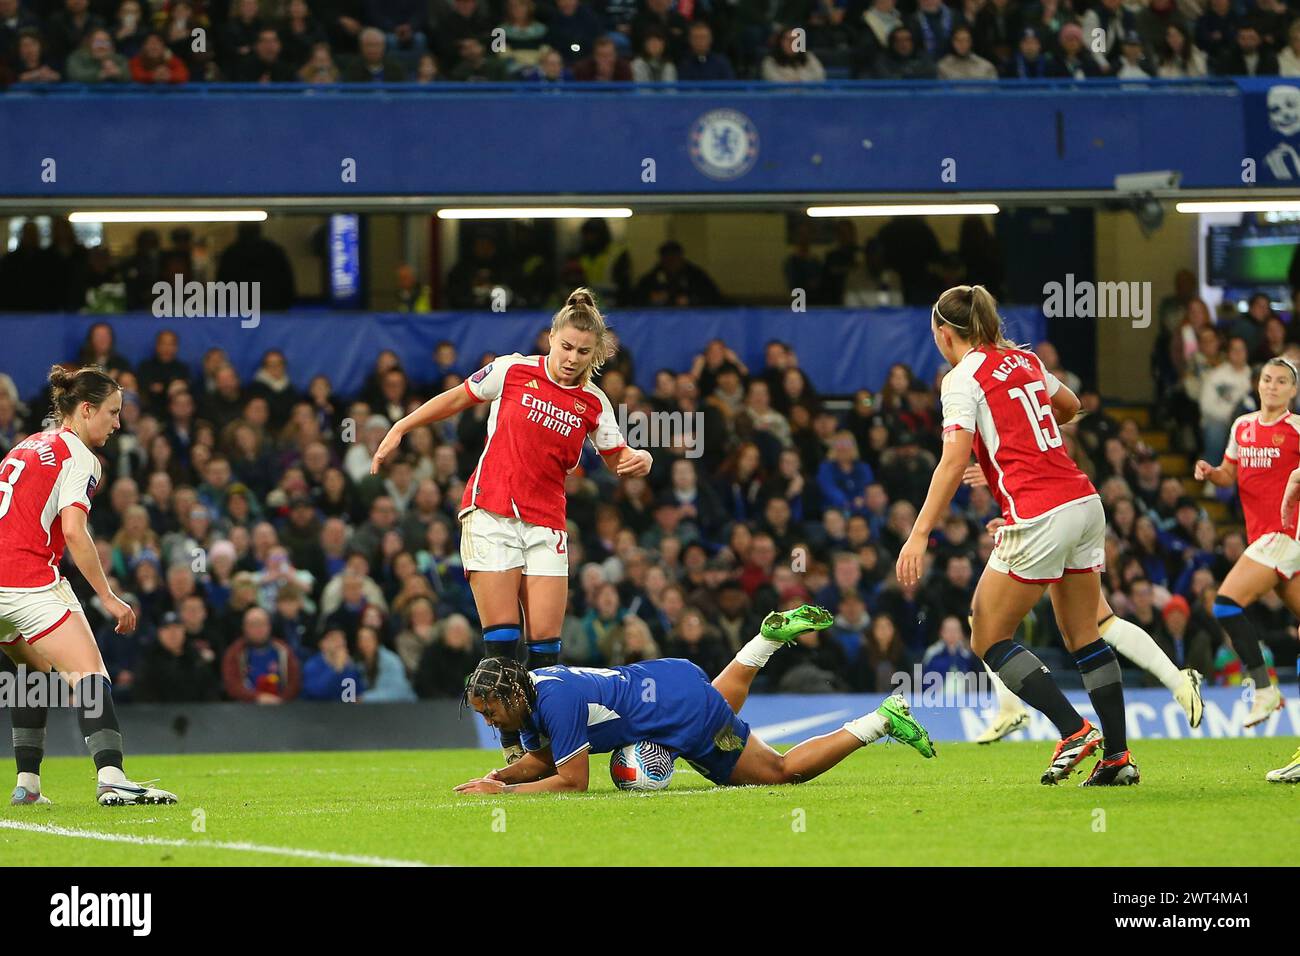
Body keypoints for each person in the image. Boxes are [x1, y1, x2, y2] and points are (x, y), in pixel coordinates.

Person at [371, 289, 651, 761]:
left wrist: (641, 457)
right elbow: (457, 398)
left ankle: (542, 747)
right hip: (491, 513)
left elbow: (617, 456)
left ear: (595, 354)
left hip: (547, 526)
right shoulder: (512, 370)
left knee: (545, 651)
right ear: (551, 338)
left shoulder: (593, 402)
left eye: (583, 352)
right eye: (566, 347)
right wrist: (401, 427)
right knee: (501, 643)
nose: (572, 358)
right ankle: (511, 747)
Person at [897, 285, 1138, 786]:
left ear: (943, 333)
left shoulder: (961, 378)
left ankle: (1074, 730)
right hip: (1084, 501)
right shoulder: (1024, 360)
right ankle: (1117, 758)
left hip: (1040, 512)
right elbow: (1070, 405)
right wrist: (1016, 449)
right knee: (1084, 633)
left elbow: (952, 461)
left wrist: (919, 534)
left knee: (988, 633)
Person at [453, 604, 934, 794]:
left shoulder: (555, 704)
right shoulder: (538, 687)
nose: (490, 721)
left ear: (512, 695)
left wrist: (504, 793)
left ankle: (881, 719)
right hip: (672, 677)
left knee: (781, 773)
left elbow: (572, 781)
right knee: (716, 709)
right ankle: (763, 642)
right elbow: (543, 761)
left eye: (490, 711)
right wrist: (500, 774)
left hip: (679, 714)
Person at [0, 365, 177, 806]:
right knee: (90, 676)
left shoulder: (26, 445)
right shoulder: (79, 457)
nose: (117, 423)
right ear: (85, 409)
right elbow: (75, 532)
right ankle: (112, 778)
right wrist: (109, 597)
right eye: (112, 412)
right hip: (28, 582)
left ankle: (27, 785)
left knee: (31, 670)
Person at [960, 465, 1204, 742]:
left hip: (1049, 520)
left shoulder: (1010, 449)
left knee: (986, 621)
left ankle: (1018, 710)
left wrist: (923, 532)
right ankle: (1172, 687)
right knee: (1099, 623)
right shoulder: (1037, 452)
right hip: (1074, 510)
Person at [1200, 357, 1300, 730]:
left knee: (1225, 604)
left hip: (1284, 534)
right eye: (1267, 379)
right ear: (1257, 384)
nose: (1272, 386)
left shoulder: (1296, 429)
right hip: (1262, 537)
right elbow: (1230, 473)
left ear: (1293, 391)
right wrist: (1212, 473)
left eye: (1281, 381)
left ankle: (1263, 688)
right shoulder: (1242, 426)